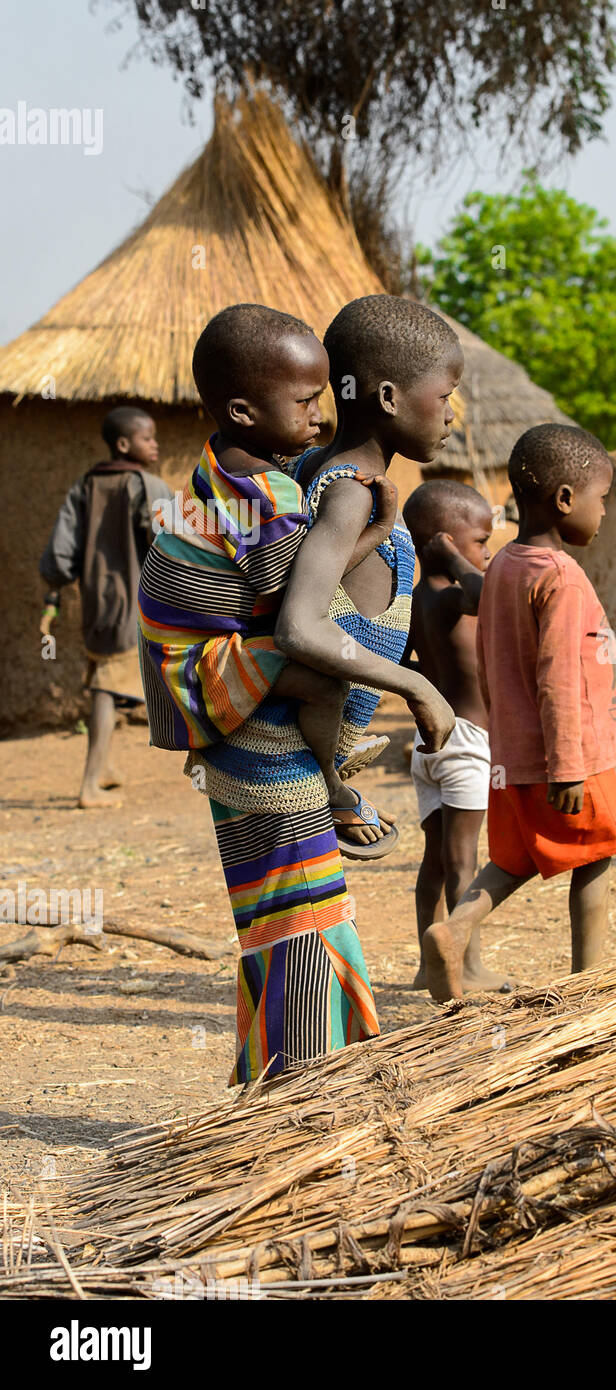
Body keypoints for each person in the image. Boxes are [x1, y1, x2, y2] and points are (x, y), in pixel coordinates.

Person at [187, 294, 460, 1084]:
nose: (452, 413)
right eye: (442, 397)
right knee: (298, 941)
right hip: (272, 756)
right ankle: (290, 1123)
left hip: (280, 752)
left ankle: (295, 1115)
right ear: (386, 398)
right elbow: (304, 627)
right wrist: (417, 686)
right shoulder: (345, 489)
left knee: (298, 937)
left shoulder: (313, 474)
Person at [138, 303, 400, 856]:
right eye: (305, 401)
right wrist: (378, 533)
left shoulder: (221, 457)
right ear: (243, 410)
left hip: (170, 649)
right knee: (325, 680)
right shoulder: (265, 492)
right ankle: (332, 784)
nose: (319, 417)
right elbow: (299, 597)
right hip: (194, 668)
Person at [421, 424, 616, 1002]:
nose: (606, 512)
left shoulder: (508, 564)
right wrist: (568, 765)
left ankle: (454, 928)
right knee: (596, 859)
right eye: (602, 498)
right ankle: (593, 986)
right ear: (565, 501)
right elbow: (558, 676)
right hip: (570, 754)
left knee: (511, 861)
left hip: (509, 750)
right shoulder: (560, 577)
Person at [402, 479, 509, 993]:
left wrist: (450, 552)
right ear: (445, 542)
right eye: (481, 542)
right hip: (466, 743)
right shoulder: (448, 597)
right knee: (464, 859)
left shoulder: (418, 600)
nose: (487, 553)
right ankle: (465, 966)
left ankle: (426, 962)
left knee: (436, 857)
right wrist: (453, 556)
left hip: (430, 747)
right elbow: (489, 593)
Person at [39, 407, 170, 807]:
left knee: (106, 676)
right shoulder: (150, 487)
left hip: (96, 603)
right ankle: (89, 784)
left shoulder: (83, 487)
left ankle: (105, 768)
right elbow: (169, 546)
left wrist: (56, 593)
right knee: (106, 687)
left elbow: (60, 556)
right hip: (136, 603)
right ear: (124, 444)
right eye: (148, 438)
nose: (156, 444)